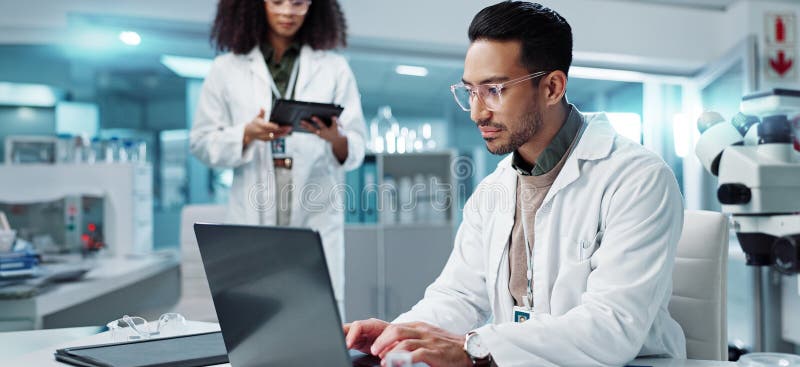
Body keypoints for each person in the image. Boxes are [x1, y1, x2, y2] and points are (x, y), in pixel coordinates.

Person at [343, 2, 685, 366]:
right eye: (470, 91)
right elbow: (458, 295)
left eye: (494, 90)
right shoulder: (494, 189)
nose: (477, 112)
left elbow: (611, 328)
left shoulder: (637, 179)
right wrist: (399, 335)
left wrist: (474, 348)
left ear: (552, 87)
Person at [190, 0, 367, 309]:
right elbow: (202, 142)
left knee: (316, 322)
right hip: (251, 211)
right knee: (254, 320)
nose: (288, 12)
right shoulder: (226, 69)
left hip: (315, 211)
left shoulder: (334, 68)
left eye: (298, 3)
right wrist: (246, 133)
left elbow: (356, 148)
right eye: (277, 2)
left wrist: (334, 137)